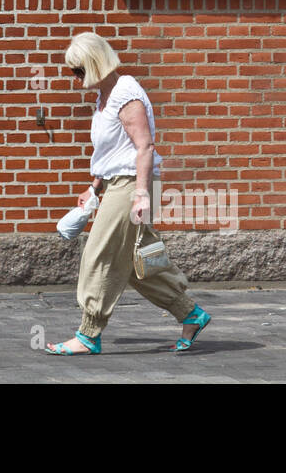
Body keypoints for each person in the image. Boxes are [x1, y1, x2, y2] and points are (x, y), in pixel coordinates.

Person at [45, 32, 211, 355]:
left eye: (78, 70)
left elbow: (145, 147)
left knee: (99, 253)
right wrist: (93, 188)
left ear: (94, 64)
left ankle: (88, 335)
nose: (75, 78)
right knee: (135, 265)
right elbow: (112, 153)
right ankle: (191, 313)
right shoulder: (104, 97)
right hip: (117, 184)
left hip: (133, 184)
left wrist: (141, 195)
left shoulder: (126, 93)